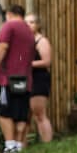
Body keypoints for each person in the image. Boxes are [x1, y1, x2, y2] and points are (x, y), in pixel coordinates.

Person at [0, 3, 36, 153]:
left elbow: (2, 46)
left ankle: (10, 146)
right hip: (25, 79)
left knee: (4, 112)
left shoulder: (9, 26)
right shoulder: (29, 31)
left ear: (9, 14)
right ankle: (18, 146)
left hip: (7, 78)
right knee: (20, 114)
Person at [25, 11, 55, 144]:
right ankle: (20, 148)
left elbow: (47, 62)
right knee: (24, 116)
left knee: (39, 114)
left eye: (31, 22)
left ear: (37, 25)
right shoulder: (24, 41)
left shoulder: (42, 41)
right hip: (25, 80)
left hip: (38, 79)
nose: (28, 25)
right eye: (26, 22)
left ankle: (47, 144)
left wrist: (28, 64)